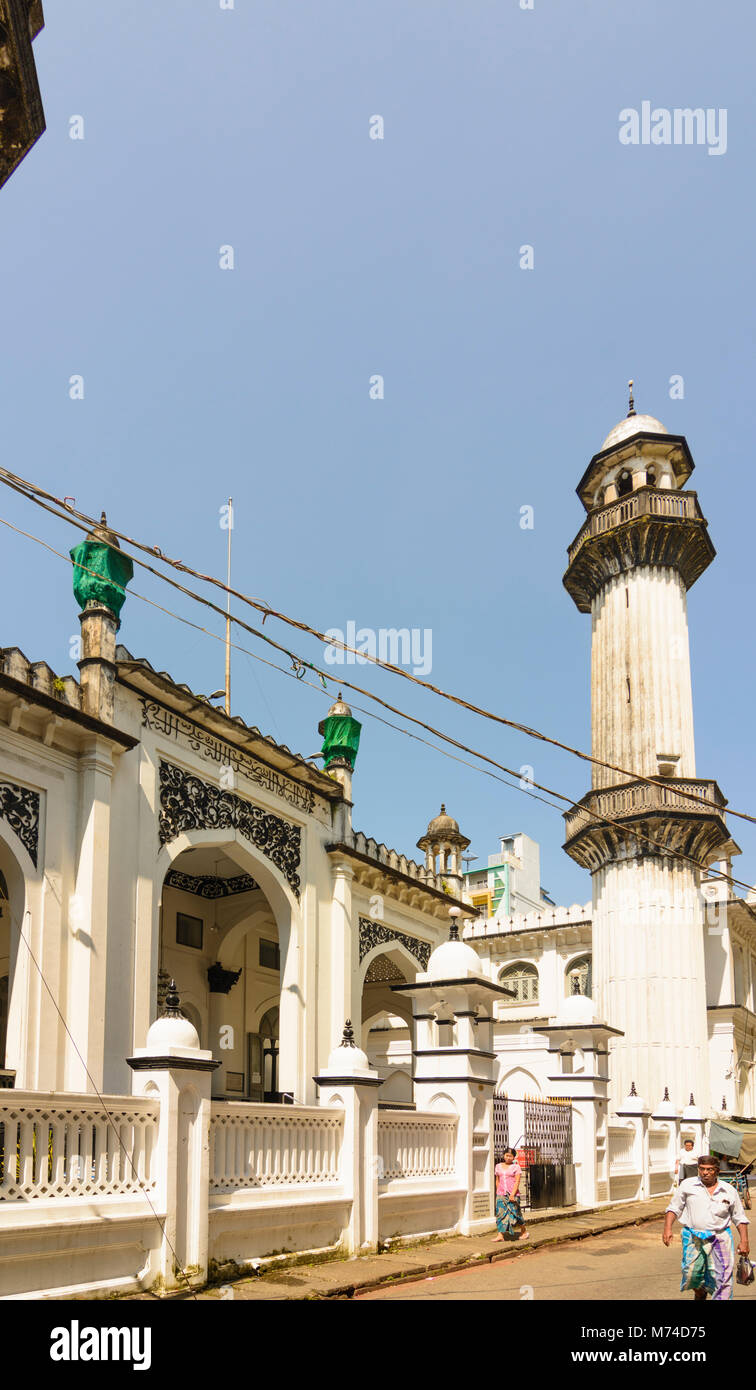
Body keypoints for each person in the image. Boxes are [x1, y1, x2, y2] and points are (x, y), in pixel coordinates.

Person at [663, 1154, 750, 1301]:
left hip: (720, 1238)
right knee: (691, 1274)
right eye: (702, 1169)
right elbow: (674, 1208)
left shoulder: (728, 1190)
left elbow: (739, 1217)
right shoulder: (688, 1185)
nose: (705, 1172)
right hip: (693, 1236)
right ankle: (701, 1291)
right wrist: (667, 1228)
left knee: (723, 1277)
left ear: (717, 1171)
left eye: (709, 1169)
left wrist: (744, 1241)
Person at [493, 1147, 528, 1243]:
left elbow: (517, 1181)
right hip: (501, 1194)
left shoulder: (516, 1167)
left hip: (513, 1193)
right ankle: (500, 1235)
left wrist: (512, 1194)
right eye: (507, 1155)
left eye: (510, 1156)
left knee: (515, 1213)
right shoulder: (498, 1166)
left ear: (513, 1157)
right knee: (500, 1214)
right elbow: (497, 1180)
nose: (508, 1158)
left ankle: (524, 1231)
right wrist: (498, 1192)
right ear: (503, 1155)